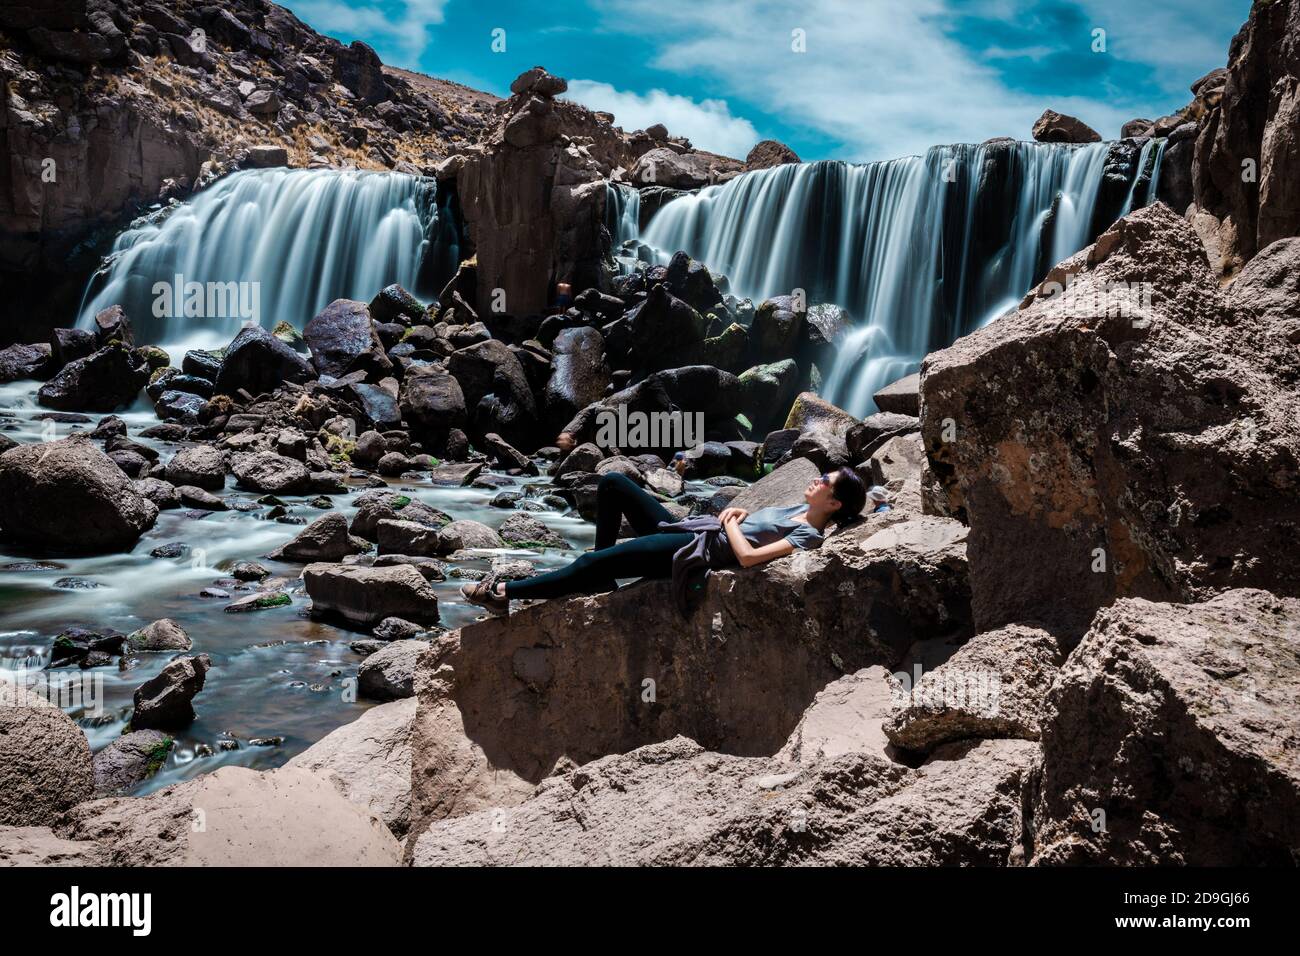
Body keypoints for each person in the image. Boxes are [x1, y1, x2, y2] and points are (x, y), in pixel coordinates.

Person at [461, 468, 869, 615]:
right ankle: (602, 571)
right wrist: (738, 515)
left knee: (588, 564)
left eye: (824, 482)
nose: (814, 480)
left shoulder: (808, 534)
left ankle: (503, 592)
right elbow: (749, 524)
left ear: (833, 502)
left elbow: (747, 557)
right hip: (692, 528)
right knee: (613, 483)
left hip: (696, 551)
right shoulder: (794, 510)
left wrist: (728, 524)